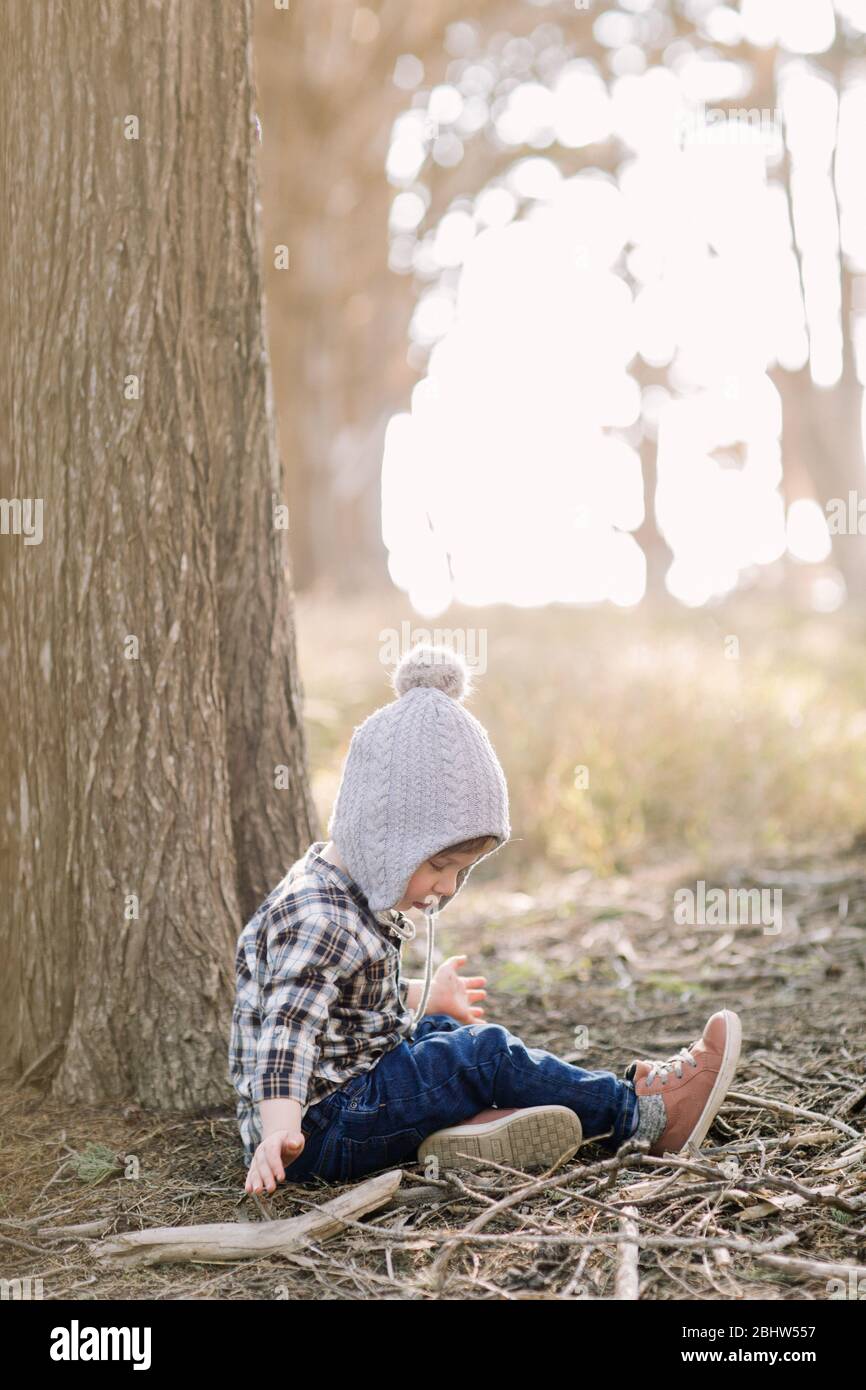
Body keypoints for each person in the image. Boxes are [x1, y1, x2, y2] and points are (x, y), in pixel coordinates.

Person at [228, 642, 741, 1193]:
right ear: (382, 839)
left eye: (462, 869)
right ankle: (644, 1116)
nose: (448, 887)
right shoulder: (317, 917)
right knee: (482, 1054)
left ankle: (468, 1128)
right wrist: (280, 1132)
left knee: (444, 1032)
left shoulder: (342, 884)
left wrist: (424, 992)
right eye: (439, 865)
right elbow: (288, 1031)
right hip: (318, 1128)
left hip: (344, 1087)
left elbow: (340, 1005)